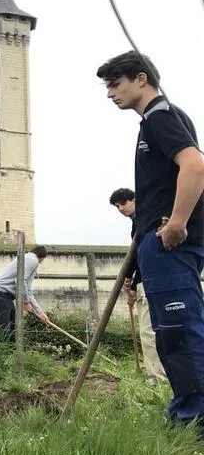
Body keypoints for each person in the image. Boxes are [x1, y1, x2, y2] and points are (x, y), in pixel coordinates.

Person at [97, 51, 204, 433]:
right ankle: (185, 410)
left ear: (141, 79)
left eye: (115, 84)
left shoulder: (162, 117)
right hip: (155, 247)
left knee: (180, 328)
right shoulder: (150, 124)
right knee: (169, 332)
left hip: (171, 244)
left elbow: (195, 164)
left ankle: (195, 418)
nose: (110, 93)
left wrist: (177, 222)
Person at [109, 187, 166, 384]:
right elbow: (137, 258)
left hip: (150, 282)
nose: (121, 209)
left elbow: (141, 256)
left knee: (149, 332)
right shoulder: (140, 223)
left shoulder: (144, 222)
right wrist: (131, 281)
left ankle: (157, 379)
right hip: (151, 280)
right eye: (117, 206)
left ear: (134, 200)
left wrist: (132, 282)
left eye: (124, 203)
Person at [0, 246, 51, 340]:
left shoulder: (27, 258)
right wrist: (25, 302)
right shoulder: (33, 260)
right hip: (0, 293)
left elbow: (27, 290)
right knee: (3, 330)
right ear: (42, 258)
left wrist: (40, 312)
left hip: (4, 295)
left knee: (13, 328)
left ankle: (10, 353)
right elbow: (20, 281)